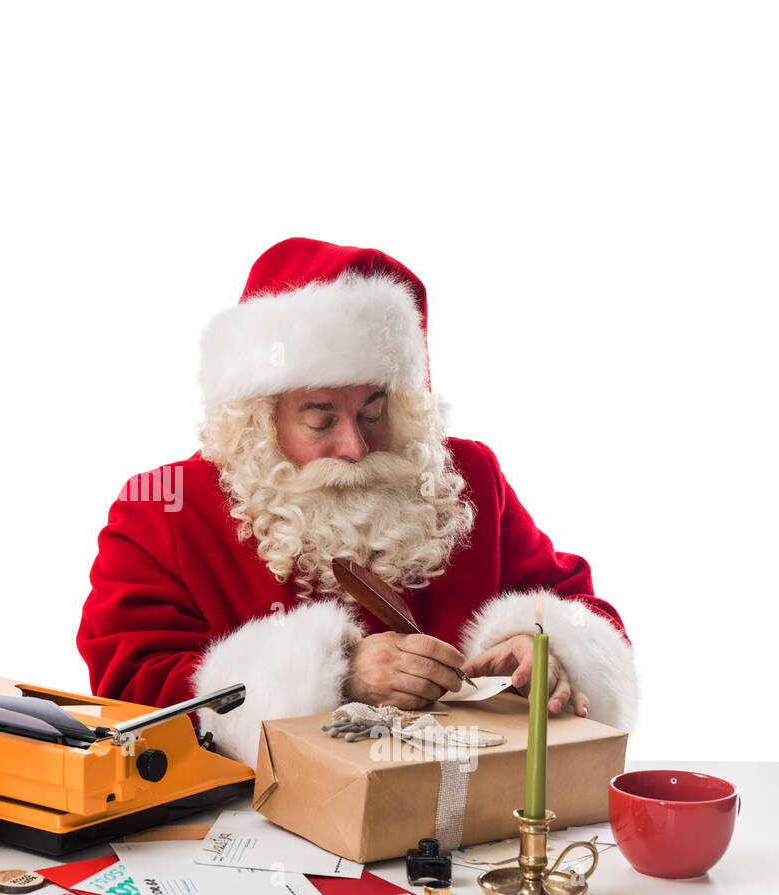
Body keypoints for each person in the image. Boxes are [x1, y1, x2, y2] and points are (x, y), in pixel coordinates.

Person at [76, 238, 638, 767]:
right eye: (320, 417)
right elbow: (129, 690)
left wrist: (545, 649)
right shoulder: (162, 511)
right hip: (252, 826)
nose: (355, 446)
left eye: (374, 411)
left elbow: (578, 608)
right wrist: (330, 678)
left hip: (469, 824)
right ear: (259, 417)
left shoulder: (467, 476)